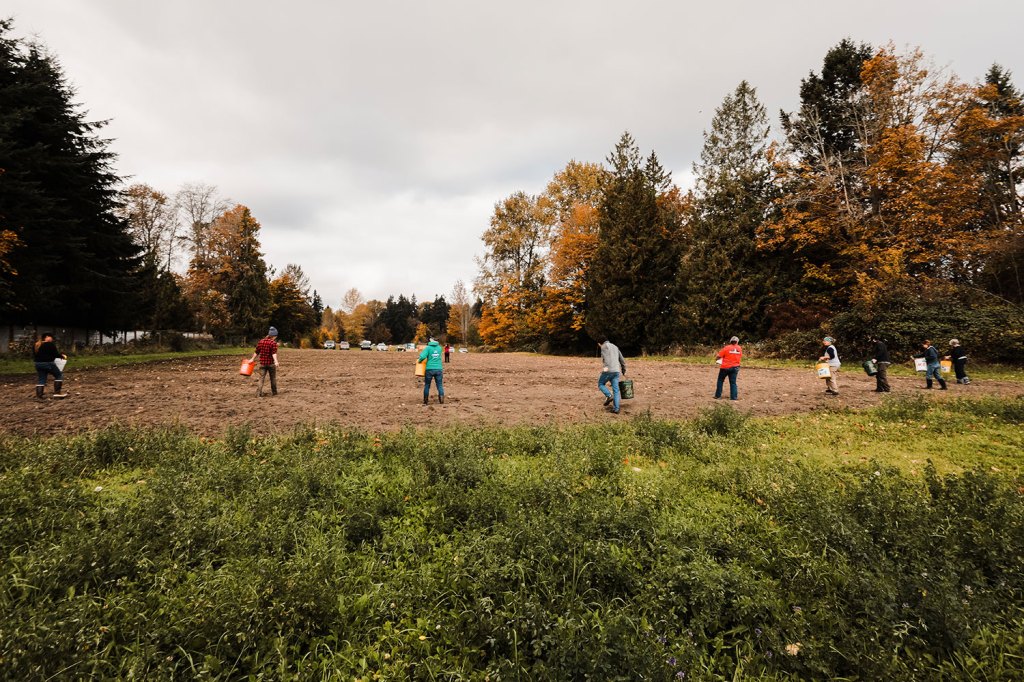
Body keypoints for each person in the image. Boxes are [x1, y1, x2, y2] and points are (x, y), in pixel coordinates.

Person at [33, 332, 68, 399]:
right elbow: (55, 354)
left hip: (38, 364)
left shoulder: (36, 344)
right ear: (47, 337)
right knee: (58, 375)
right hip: (48, 363)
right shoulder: (50, 344)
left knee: (41, 379)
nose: (52, 339)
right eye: (51, 337)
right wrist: (62, 356)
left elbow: (35, 355)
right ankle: (57, 393)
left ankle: (39, 396)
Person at [597, 337, 626, 414]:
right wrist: (623, 369)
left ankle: (609, 395)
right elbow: (622, 359)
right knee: (616, 390)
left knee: (600, 384)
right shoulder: (615, 347)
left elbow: (605, 360)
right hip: (616, 371)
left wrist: (605, 370)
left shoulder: (603, 346)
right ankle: (616, 409)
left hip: (608, 370)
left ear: (600, 343)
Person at [250, 327, 280, 397]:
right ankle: (274, 392)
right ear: (274, 336)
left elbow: (256, 352)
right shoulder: (273, 343)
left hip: (262, 364)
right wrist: (276, 362)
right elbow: (274, 353)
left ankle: (258, 393)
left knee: (261, 379)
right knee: (273, 378)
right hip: (271, 364)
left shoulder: (261, 341)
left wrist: (252, 359)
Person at [714, 336, 742, 400]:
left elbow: (719, 356)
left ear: (730, 341)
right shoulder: (739, 348)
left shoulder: (726, 348)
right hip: (735, 367)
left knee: (720, 380)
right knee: (733, 383)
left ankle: (718, 396)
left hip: (725, 367)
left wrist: (717, 359)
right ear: (737, 342)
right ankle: (733, 397)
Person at [419, 337, 445, 404]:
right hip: (439, 368)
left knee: (427, 385)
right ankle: (441, 400)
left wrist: (419, 361)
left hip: (429, 369)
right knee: (439, 385)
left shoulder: (428, 348)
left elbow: (422, 356)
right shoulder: (439, 348)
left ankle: (425, 400)